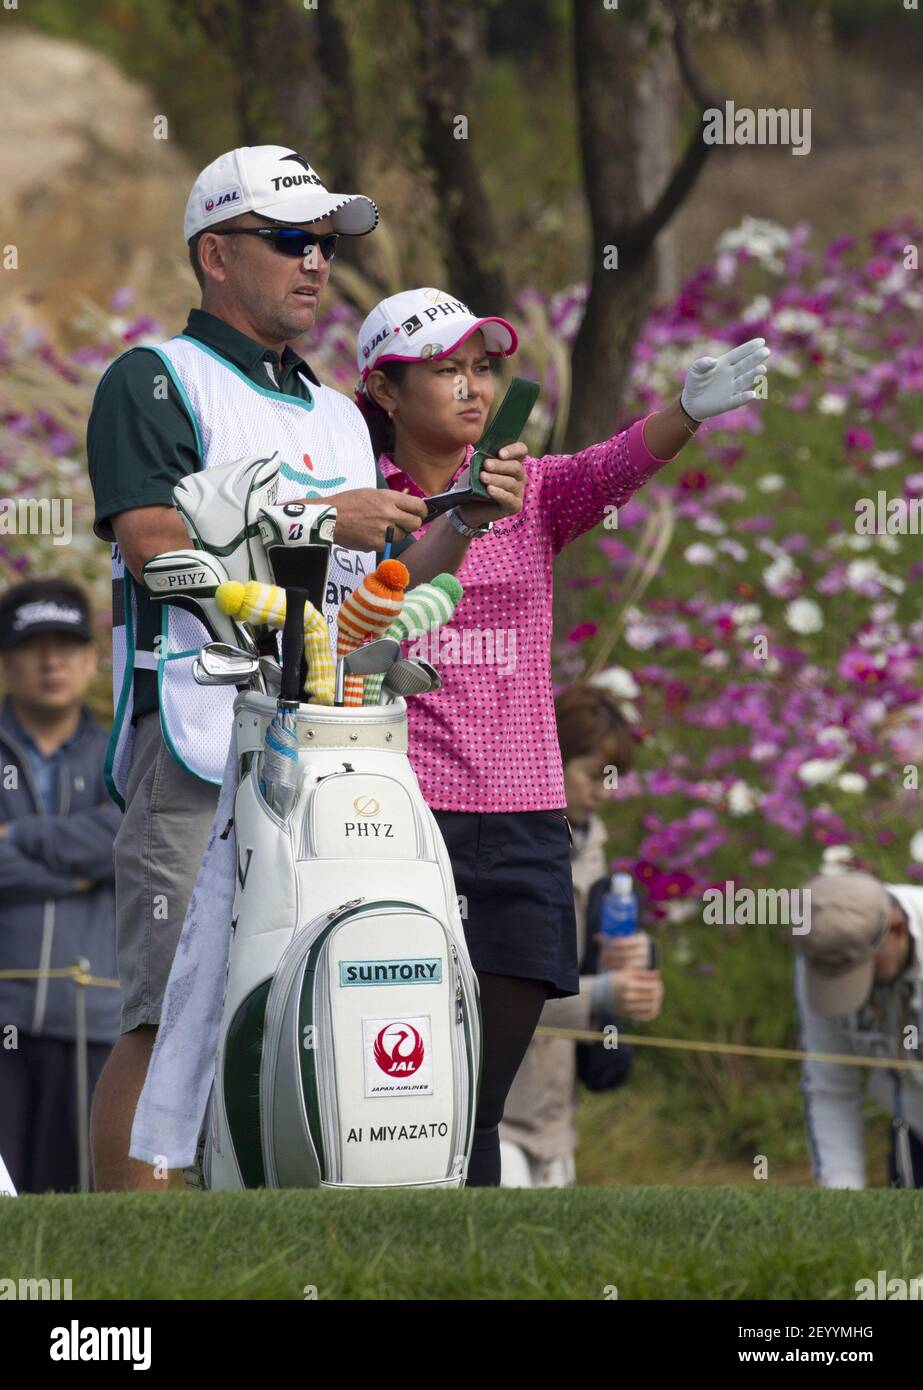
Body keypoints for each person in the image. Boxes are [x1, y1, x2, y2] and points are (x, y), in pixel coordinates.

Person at [86, 147, 525, 1191]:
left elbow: (370, 579)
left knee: (290, 989)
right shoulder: (152, 378)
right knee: (170, 1007)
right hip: (195, 737)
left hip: (334, 745)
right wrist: (328, 514)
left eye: (326, 243)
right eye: (290, 240)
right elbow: (152, 542)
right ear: (215, 254)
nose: (317, 262)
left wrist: (462, 519)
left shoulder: (335, 412)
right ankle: (126, 1257)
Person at [355, 285, 770, 1185]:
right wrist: (461, 514)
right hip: (404, 818)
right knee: (402, 1072)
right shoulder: (364, 503)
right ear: (385, 392)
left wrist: (684, 412)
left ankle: (462, 1245)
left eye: (481, 369)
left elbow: (612, 466)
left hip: (523, 819)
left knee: (478, 1097)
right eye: (444, 371)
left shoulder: (529, 486)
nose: (471, 388)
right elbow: (371, 611)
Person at [499, 686, 662, 1187]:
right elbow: (502, 994)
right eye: (594, 774)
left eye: (613, 778)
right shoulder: (507, 854)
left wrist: (638, 958)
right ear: (553, 757)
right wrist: (606, 994)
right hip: (496, 1117)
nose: (604, 790)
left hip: (557, 1124)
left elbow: (582, 966)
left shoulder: (593, 852)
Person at [0, 579, 121, 1193]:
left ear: (91, 657)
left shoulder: (122, 756)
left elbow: (126, 842)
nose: (51, 662)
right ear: (5, 658)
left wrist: (16, 839)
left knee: (78, 1212)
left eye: (67, 644)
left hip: (92, 1022)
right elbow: (103, 850)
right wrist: (80, 866)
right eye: (32, 645)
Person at [794, 871, 923, 1188]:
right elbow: (830, 1089)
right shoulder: (823, 950)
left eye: (862, 970)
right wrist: (841, 1195)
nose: (850, 987)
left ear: (896, 929)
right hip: (911, 1125)